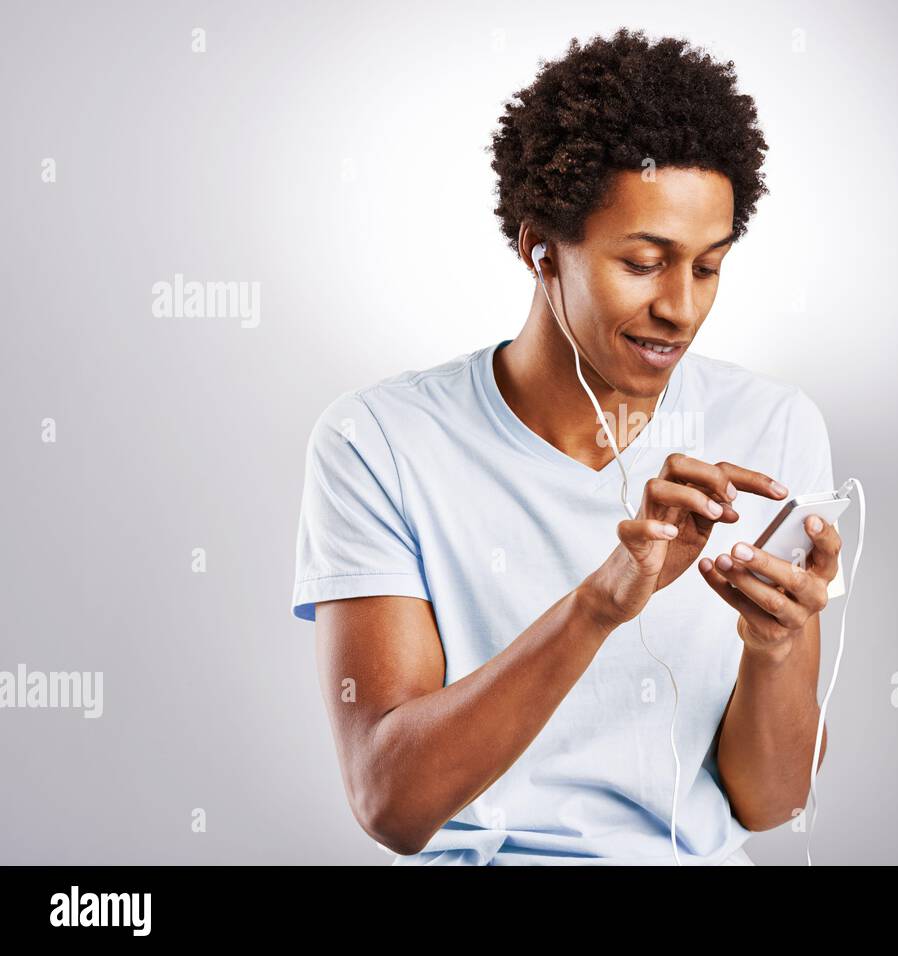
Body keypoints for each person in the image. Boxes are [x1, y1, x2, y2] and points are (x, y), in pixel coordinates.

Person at [292, 27, 843, 865]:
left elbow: (771, 803)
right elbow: (390, 803)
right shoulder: (380, 440)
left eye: (706, 267)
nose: (680, 308)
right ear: (540, 249)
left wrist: (776, 649)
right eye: (644, 262)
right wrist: (600, 606)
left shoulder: (773, 427)